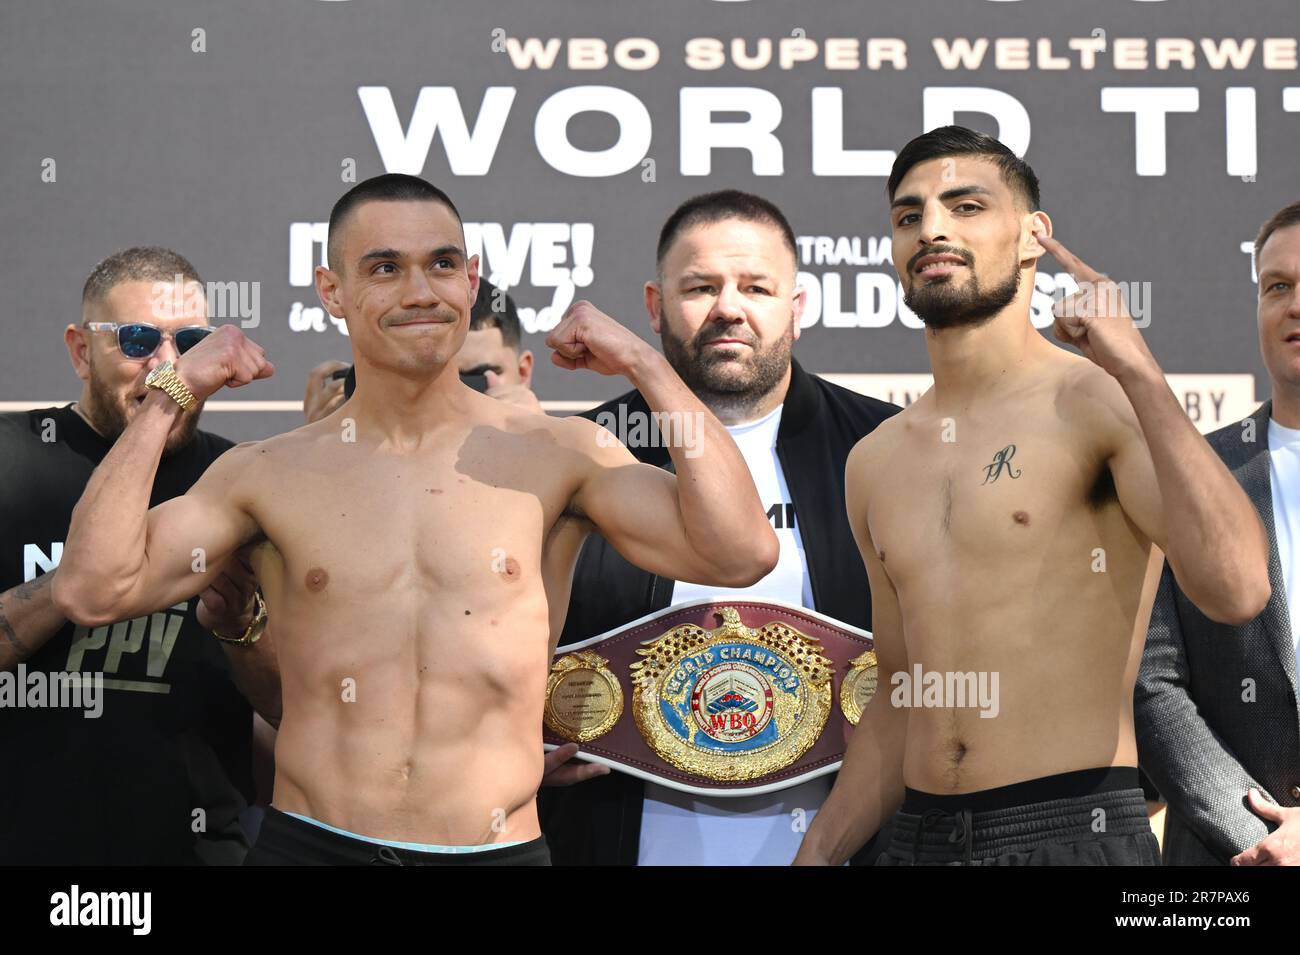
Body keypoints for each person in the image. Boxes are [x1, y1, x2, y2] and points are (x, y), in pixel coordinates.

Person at [51, 174, 779, 866]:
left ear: (471, 280)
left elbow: (739, 550)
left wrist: (646, 366)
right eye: (385, 268)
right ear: (331, 291)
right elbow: (92, 588)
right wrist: (174, 391)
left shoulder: (559, 453)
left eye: (442, 264)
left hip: (496, 852)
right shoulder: (266, 472)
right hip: (314, 847)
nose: (421, 291)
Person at [794, 126, 1271, 866]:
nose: (933, 229)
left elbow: (1237, 588)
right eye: (909, 215)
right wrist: (818, 854)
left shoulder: (1099, 402)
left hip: (1070, 832)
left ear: (1031, 235)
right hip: (917, 841)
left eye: (966, 206)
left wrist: (1140, 372)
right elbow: (900, 695)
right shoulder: (874, 460)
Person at [537, 190, 900, 866]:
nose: (729, 307)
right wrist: (511, 746)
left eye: (756, 287)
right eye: (701, 287)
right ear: (654, 306)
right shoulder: (579, 455)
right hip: (606, 838)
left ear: (798, 308)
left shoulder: (887, 447)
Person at [0, 247, 277, 864]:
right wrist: (83, 580)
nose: (168, 365)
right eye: (137, 340)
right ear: (81, 351)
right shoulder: (10, 460)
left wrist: (242, 628)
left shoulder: (240, 481)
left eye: (192, 344)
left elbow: (293, 709)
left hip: (197, 848)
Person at [1137, 200, 1300, 866]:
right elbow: (1153, 682)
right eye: (1278, 286)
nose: (1294, 305)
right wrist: (1263, 837)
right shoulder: (1194, 474)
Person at [304, 278, 541, 422]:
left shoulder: (553, 456)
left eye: (479, 378)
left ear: (523, 372)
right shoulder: (353, 445)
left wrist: (541, 444)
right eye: (436, 376)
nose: (457, 392)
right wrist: (326, 450)